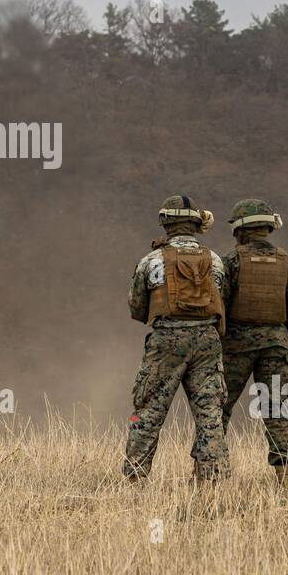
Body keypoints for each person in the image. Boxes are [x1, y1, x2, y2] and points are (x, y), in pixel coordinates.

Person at [124, 194, 227, 482]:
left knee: (149, 410)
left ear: (165, 224)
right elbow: (222, 300)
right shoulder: (215, 260)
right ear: (195, 225)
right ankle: (211, 480)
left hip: (167, 340)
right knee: (210, 413)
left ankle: (135, 478)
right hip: (207, 339)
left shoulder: (151, 259)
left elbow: (137, 307)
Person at [219, 198, 288, 484]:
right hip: (277, 346)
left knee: (218, 408)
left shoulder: (229, 262)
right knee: (277, 410)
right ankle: (284, 478)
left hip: (236, 346)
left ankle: (209, 473)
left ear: (240, 230)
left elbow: (218, 307)